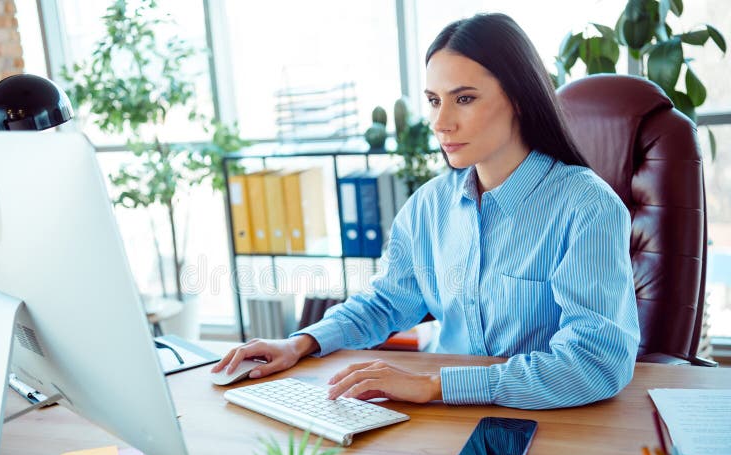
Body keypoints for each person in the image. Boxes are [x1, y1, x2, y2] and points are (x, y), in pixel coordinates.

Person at [213, 13, 640, 409]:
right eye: (435, 101)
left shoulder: (588, 208)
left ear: (521, 99)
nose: (441, 123)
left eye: (465, 98)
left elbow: (595, 363)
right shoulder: (429, 206)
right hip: (441, 417)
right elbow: (386, 302)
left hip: (547, 423)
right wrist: (301, 343)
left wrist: (436, 386)